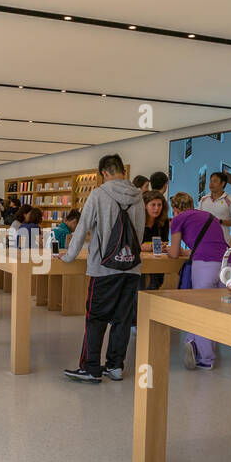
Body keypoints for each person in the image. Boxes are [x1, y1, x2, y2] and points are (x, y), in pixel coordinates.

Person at [62, 154, 145, 383]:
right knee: (123, 319)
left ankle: (90, 367)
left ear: (103, 173)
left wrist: (69, 256)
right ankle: (115, 366)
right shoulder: (139, 197)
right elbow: (139, 233)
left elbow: (82, 228)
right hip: (131, 267)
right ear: (123, 171)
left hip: (104, 268)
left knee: (95, 317)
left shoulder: (99, 194)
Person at [169, 192, 227, 370]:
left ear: (175, 209)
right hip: (227, 262)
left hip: (205, 264)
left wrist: (169, 248)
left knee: (201, 310)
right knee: (215, 310)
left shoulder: (177, 219)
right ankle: (193, 341)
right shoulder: (210, 216)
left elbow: (174, 253)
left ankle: (205, 357)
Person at [199, 170, 231, 246]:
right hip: (204, 242)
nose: (211, 184)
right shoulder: (203, 199)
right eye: (210, 181)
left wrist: (220, 221)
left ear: (223, 183)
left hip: (222, 243)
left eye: (215, 181)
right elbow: (198, 218)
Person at [141, 190, 169, 291]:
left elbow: (165, 241)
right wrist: (151, 247)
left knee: (155, 286)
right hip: (139, 263)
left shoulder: (164, 221)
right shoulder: (138, 220)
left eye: (159, 205)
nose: (156, 208)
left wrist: (163, 246)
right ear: (145, 205)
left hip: (156, 262)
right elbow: (132, 245)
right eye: (153, 205)